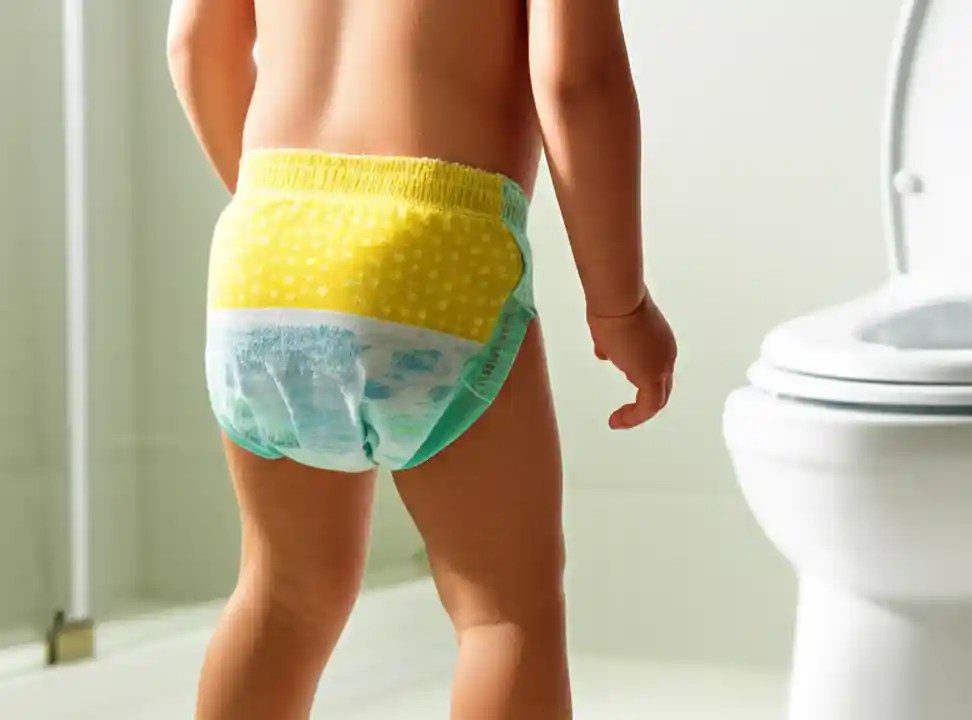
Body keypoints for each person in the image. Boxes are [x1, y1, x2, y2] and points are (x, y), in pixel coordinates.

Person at [166, 0, 677, 717]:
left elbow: (194, 44)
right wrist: (618, 304)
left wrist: (292, 230)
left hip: (267, 235)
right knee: (503, 611)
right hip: (431, 240)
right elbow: (575, 80)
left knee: (284, 594)